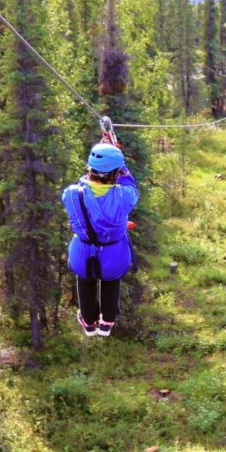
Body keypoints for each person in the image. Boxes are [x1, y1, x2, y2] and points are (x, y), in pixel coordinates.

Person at [61, 142, 140, 337]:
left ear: (90, 169)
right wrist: (123, 168)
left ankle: (89, 322)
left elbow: (82, 185)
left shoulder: (71, 194)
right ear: (116, 173)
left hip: (83, 251)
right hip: (113, 253)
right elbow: (130, 185)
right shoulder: (123, 196)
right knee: (111, 281)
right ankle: (107, 322)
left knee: (85, 280)